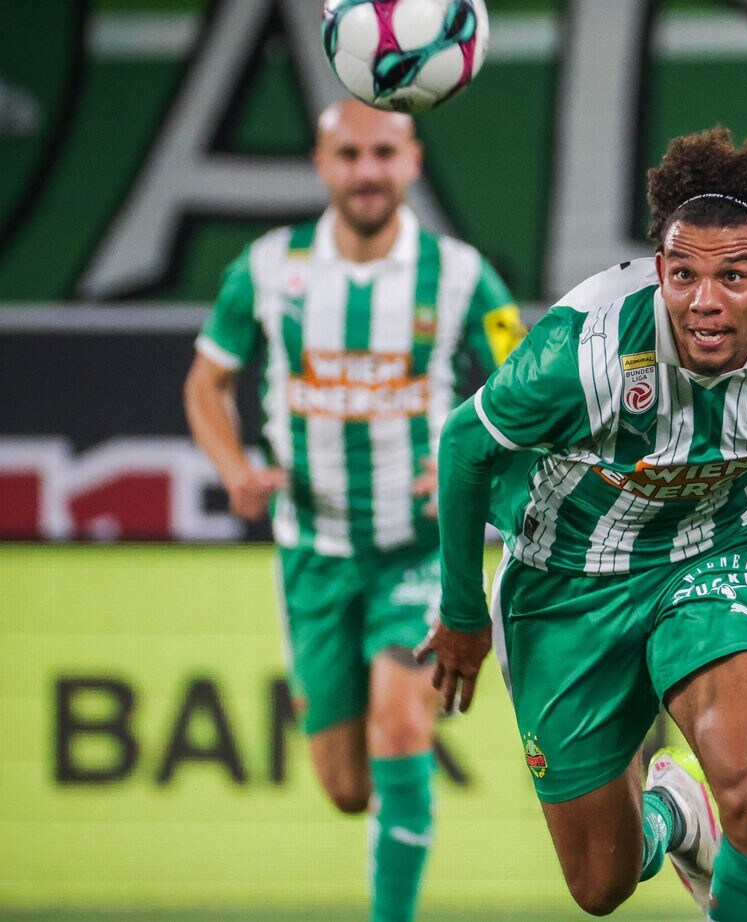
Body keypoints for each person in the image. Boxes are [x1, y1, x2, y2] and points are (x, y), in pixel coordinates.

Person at [414, 126, 747, 921]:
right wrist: (462, 613)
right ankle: (672, 811)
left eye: (733, 277)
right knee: (600, 885)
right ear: (660, 273)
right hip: (561, 579)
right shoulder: (585, 351)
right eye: (684, 276)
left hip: (705, 556)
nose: (705, 302)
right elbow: (464, 444)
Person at [183, 98, 525, 922]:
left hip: (419, 551)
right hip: (314, 555)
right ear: (322, 163)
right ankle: (394, 824)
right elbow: (206, 383)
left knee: (400, 728)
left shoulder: (464, 274)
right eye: (350, 154)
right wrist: (234, 466)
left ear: (411, 163)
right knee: (344, 787)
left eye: (383, 153)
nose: (367, 171)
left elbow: (526, 394)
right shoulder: (267, 269)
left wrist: (463, 466)